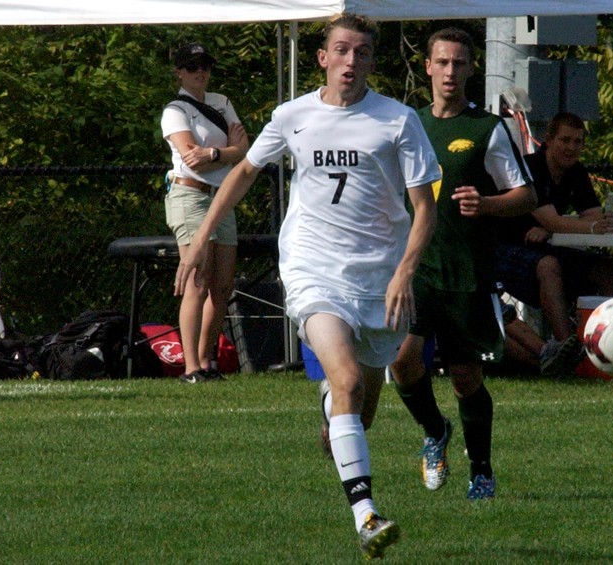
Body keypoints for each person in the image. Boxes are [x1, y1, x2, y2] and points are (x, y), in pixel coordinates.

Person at [174, 15, 439, 559]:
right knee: (345, 377)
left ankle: (335, 416)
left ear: (370, 62)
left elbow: (424, 208)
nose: (349, 61)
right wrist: (201, 237)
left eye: (361, 53)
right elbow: (245, 170)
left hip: (379, 278)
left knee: (360, 396)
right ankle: (366, 514)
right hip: (313, 268)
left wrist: (405, 271)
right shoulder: (293, 116)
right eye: (340, 50)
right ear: (322, 58)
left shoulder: (398, 120)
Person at [387, 27, 537, 501]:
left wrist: (488, 205)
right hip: (415, 268)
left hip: (465, 271)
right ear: (427, 67)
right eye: (443, 63)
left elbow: (528, 195)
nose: (451, 72)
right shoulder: (407, 124)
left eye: (460, 63)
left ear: (472, 68)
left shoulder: (487, 129)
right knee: (401, 358)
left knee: (465, 376)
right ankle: (434, 431)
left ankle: (483, 473)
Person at [496, 112, 613, 376]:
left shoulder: (576, 172)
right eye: (565, 140)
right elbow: (559, 221)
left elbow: (591, 216)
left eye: (578, 142)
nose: (571, 148)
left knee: (608, 269)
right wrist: (559, 225)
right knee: (548, 265)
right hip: (502, 249)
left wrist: (553, 227)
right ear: (547, 140)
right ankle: (567, 351)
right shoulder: (530, 167)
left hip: (543, 247)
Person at [161, 42, 249, 383]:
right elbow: (189, 156)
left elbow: (243, 149)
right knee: (197, 282)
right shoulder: (174, 110)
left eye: (205, 66)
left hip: (221, 196)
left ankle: (208, 361)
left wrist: (215, 154)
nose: (201, 72)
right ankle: (191, 367)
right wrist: (225, 151)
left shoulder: (221, 102)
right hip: (190, 195)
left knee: (222, 286)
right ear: (180, 72)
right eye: (193, 66)